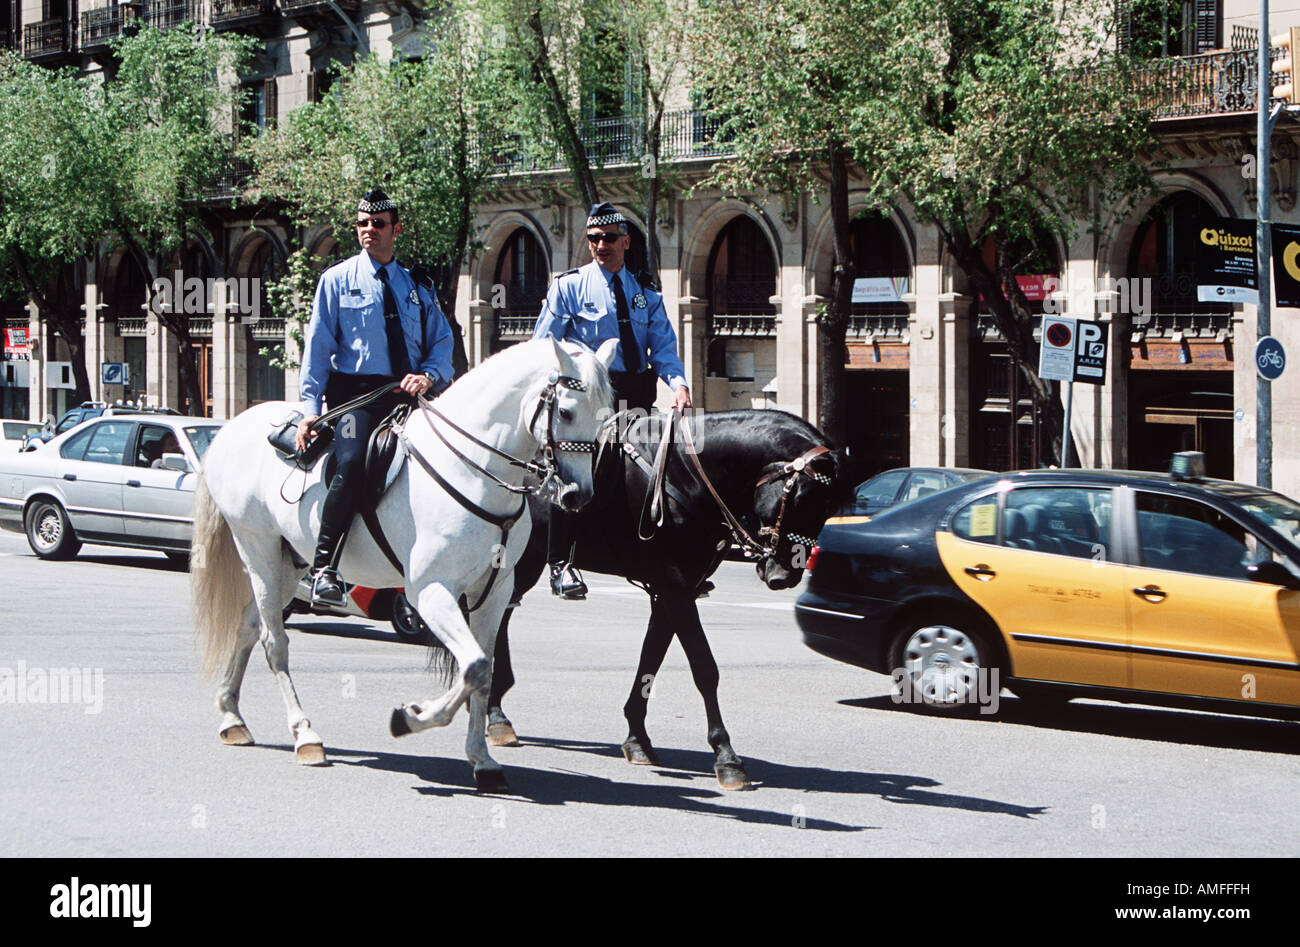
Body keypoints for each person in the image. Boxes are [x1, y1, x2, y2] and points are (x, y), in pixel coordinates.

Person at [295, 189, 455, 607]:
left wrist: (430, 375)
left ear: (395, 230)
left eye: (378, 224)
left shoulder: (418, 285)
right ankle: (324, 568)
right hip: (358, 398)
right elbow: (317, 348)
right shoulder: (336, 280)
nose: (369, 231)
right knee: (351, 462)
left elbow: (442, 341)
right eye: (363, 224)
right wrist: (310, 410)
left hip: (410, 394)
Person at [532, 202, 692, 598]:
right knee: (579, 466)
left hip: (638, 392)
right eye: (593, 239)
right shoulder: (568, 287)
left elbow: (664, 350)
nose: (600, 245)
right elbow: (542, 346)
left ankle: (664, 557)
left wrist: (679, 385)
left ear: (625, 241)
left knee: (663, 464)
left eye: (608, 238)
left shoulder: (646, 293)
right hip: (592, 394)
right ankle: (561, 562)